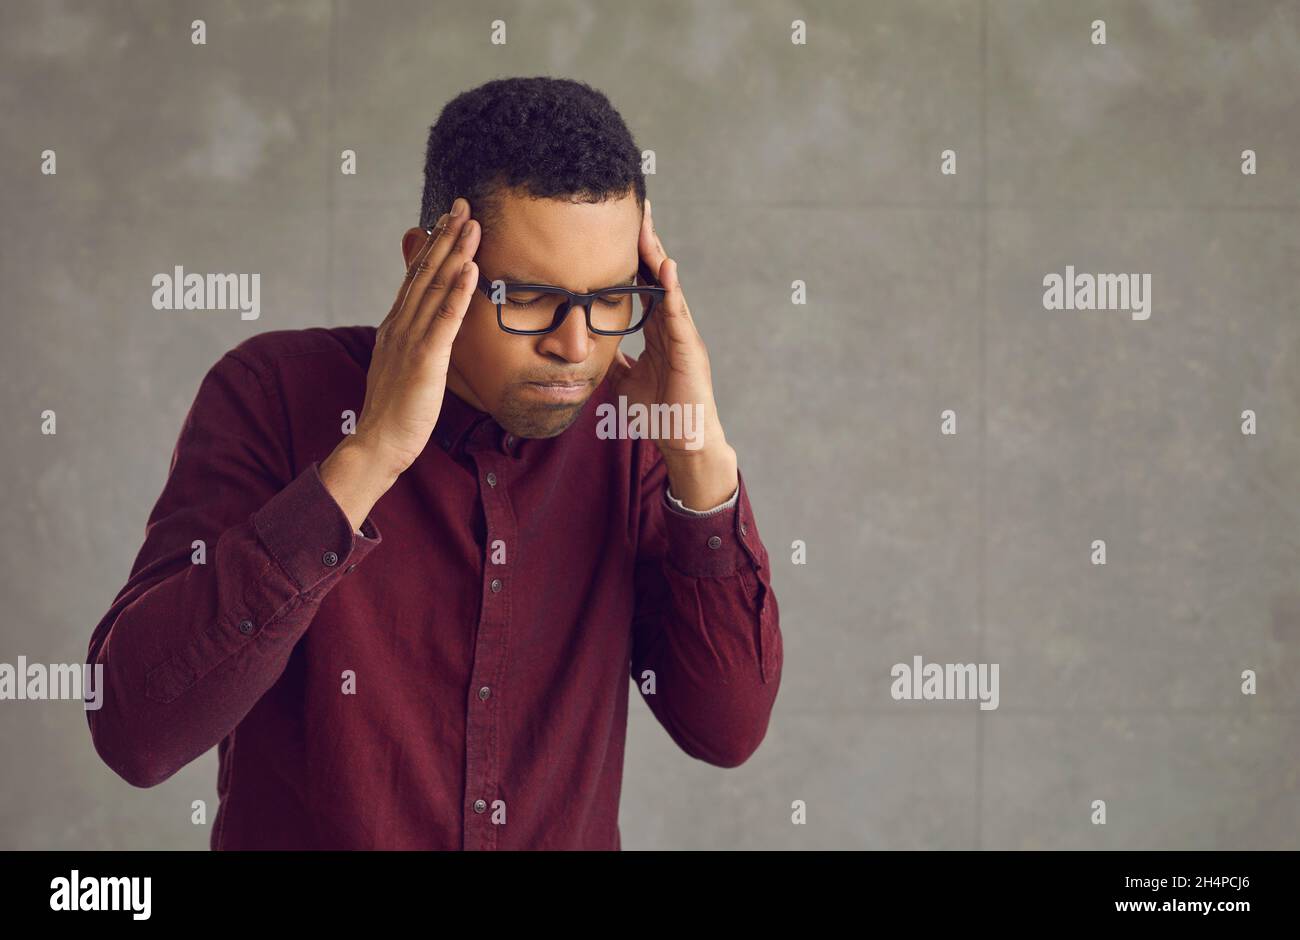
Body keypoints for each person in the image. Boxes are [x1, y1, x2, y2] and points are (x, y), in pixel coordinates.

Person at [86, 76, 782, 850]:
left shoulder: (631, 435)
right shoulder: (272, 393)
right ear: (428, 262)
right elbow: (136, 735)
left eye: (611, 299)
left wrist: (697, 452)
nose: (577, 346)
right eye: (528, 296)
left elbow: (725, 729)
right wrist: (373, 451)